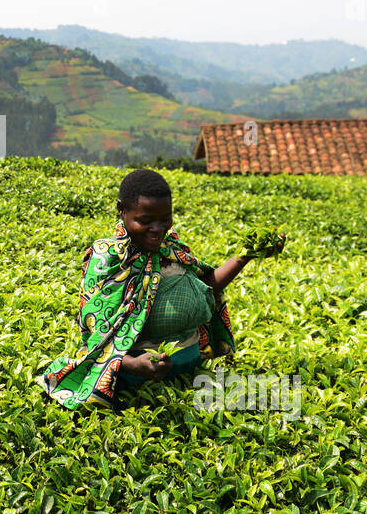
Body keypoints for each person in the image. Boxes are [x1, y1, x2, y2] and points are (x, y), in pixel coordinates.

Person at [39, 168, 277, 411]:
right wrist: (130, 364)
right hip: (135, 379)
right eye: (145, 220)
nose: (157, 228)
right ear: (122, 210)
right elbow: (96, 330)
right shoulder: (107, 258)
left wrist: (245, 256)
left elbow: (205, 288)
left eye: (165, 219)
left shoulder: (171, 246)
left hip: (191, 368)